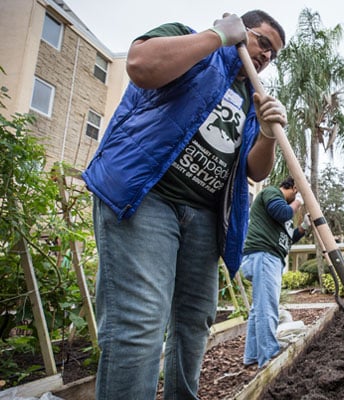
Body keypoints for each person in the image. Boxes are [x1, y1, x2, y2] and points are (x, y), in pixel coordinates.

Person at [82, 10, 287, 399]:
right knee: (140, 323)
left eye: (273, 54)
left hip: (204, 220)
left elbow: (254, 171)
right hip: (147, 200)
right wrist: (217, 37)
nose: (265, 56)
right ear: (241, 29)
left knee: (194, 323)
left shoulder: (249, 98)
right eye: (263, 42)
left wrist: (266, 133)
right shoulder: (192, 44)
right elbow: (141, 65)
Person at [241, 177, 310, 368]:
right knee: (267, 308)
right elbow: (282, 212)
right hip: (263, 255)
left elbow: (287, 239)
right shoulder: (272, 192)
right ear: (293, 187)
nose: (296, 198)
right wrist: (298, 202)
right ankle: (269, 356)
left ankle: (253, 355)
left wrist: (303, 228)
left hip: (268, 257)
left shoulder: (282, 212)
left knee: (259, 309)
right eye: (296, 193)